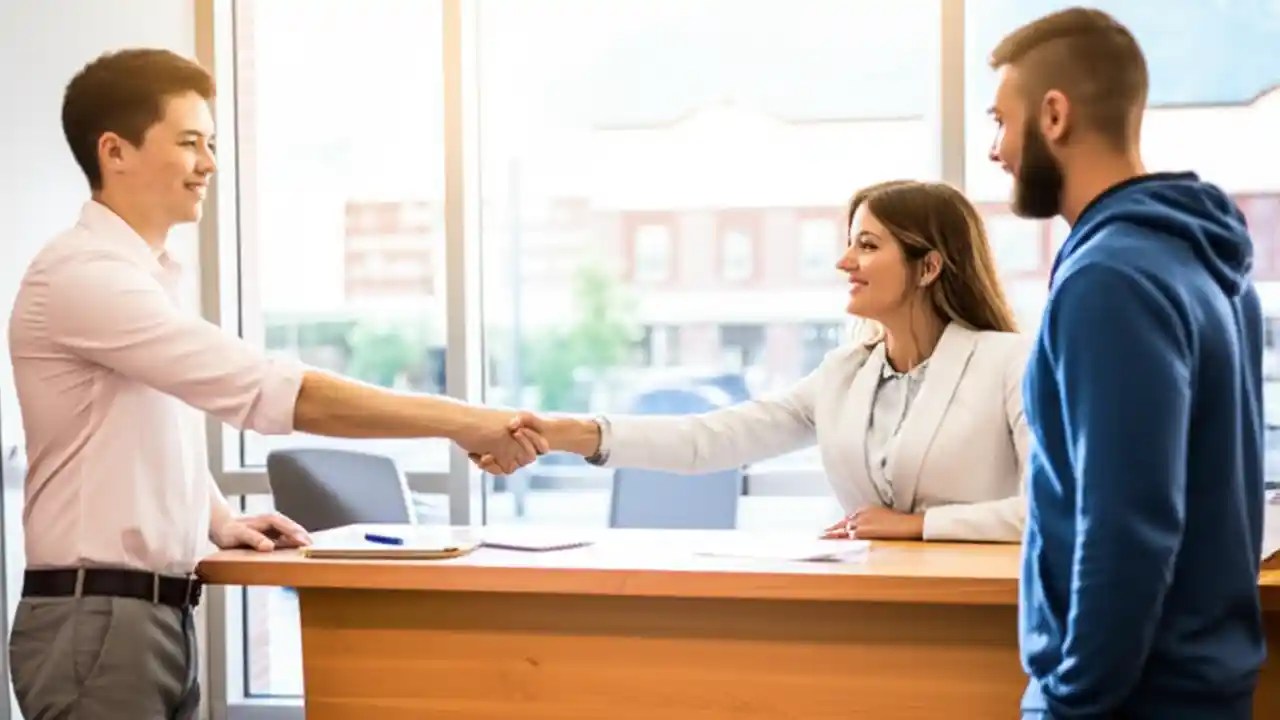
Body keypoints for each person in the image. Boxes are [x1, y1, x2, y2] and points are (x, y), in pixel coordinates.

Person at [6, 48, 544, 719]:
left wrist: (218, 518)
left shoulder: (143, 277)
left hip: (147, 615)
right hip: (100, 624)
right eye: (190, 143)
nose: (209, 164)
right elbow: (276, 391)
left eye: (211, 144)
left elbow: (137, 431)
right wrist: (463, 420)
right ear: (114, 151)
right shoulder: (83, 277)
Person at [480, 180, 1031, 543]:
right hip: (874, 604)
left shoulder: (1011, 363)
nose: (844, 262)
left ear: (929, 267)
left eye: (866, 245)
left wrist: (919, 527)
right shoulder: (843, 375)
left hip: (979, 613)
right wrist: (567, 432)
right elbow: (708, 440)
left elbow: (1051, 514)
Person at [985, 8, 1266, 718]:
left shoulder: (1109, 280)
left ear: (1054, 115)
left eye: (1001, 121)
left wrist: (1072, 700)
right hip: (1201, 689)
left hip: (1128, 701)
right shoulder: (1208, 266)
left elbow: (1127, 525)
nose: (996, 150)